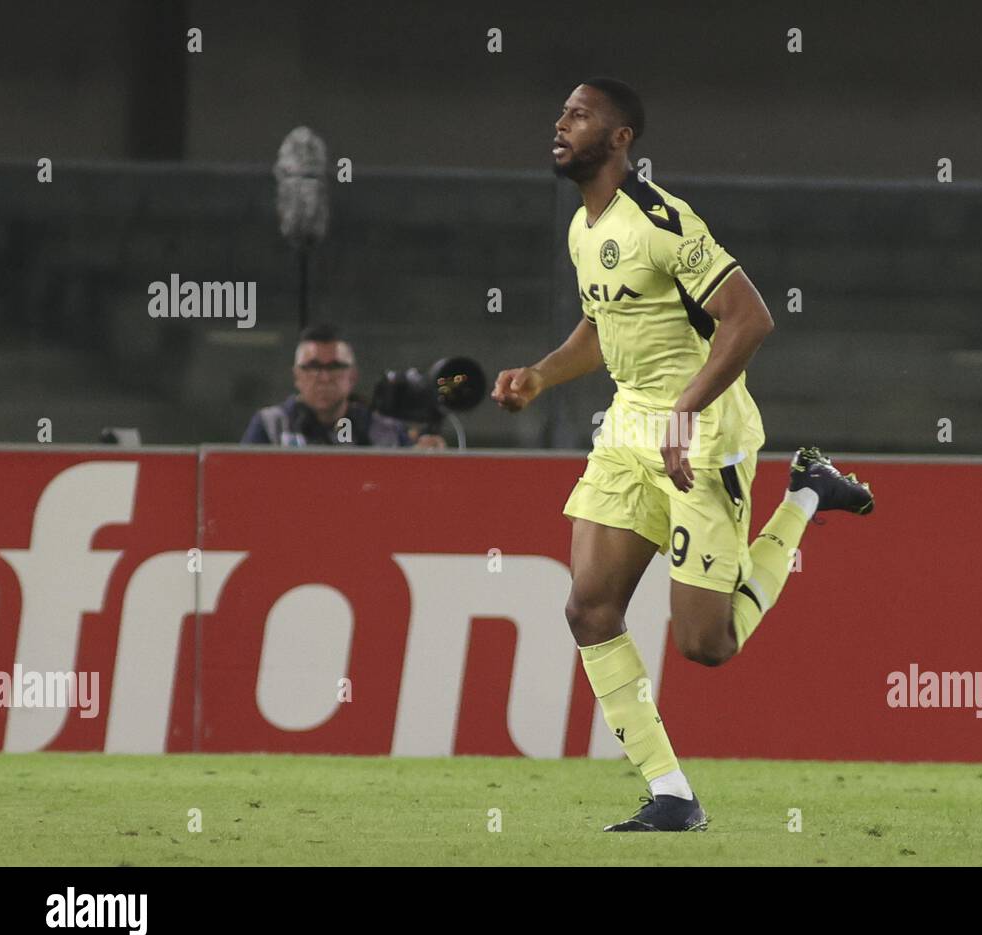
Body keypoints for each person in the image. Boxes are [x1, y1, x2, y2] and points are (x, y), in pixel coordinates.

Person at [492, 78, 874, 832]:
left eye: (579, 114)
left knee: (707, 643)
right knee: (588, 606)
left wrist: (685, 411)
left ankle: (806, 491)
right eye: (561, 113)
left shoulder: (662, 220)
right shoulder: (583, 228)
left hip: (703, 437)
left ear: (621, 138)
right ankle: (671, 793)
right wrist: (540, 374)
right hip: (634, 427)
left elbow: (750, 318)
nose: (560, 123)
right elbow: (604, 327)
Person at [242, 324, 446, 449]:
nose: (323, 378)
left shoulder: (384, 431)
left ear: (353, 376)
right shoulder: (270, 425)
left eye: (335, 367)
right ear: (296, 376)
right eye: (312, 367)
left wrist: (426, 458)